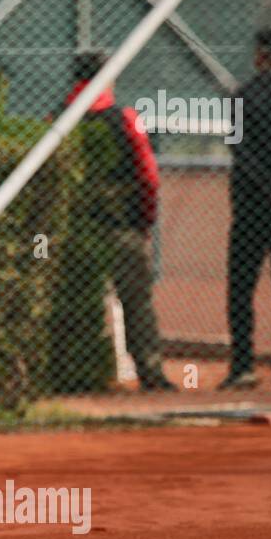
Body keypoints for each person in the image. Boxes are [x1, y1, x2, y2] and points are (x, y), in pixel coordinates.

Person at [68, 51, 175, 392]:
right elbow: (148, 176)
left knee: (77, 299)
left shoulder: (59, 119)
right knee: (136, 301)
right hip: (122, 227)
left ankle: (77, 373)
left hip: (76, 230)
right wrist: (145, 220)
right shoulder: (124, 118)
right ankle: (151, 372)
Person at [220, 28, 271, 389]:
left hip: (252, 205)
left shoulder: (244, 95)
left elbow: (238, 147)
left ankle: (243, 366)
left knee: (241, 286)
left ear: (263, 56)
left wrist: (265, 182)